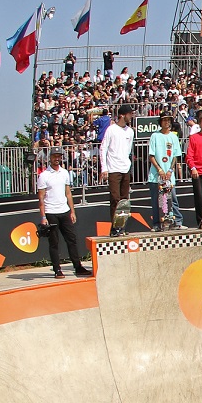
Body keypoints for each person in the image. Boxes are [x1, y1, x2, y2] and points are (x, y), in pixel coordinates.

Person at [37, 150, 91, 279]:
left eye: (59, 156)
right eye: (54, 156)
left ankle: (78, 267)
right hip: (51, 212)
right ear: (50, 158)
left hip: (64, 211)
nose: (57, 159)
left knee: (71, 239)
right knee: (54, 242)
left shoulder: (65, 173)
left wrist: (72, 211)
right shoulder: (44, 175)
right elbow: (41, 197)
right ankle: (57, 269)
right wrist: (43, 217)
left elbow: (68, 193)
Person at [146, 114, 184, 228]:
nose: (166, 122)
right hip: (155, 175)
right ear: (160, 122)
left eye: (168, 120)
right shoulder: (155, 136)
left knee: (173, 199)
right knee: (157, 201)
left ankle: (177, 222)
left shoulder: (173, 136)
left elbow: (175, 155)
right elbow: (151, 155)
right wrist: (159, 169)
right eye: (164, 120)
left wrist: (170, 170)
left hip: (169, 175)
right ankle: (157, 224)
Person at [100, 103, 135, 217]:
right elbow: (103, 148)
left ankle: (122, 224)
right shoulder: (111, 129)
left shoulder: (130, 131)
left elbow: (128, 150)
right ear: (122, 115)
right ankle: (114, 225)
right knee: (115, 198)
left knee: (124, 200)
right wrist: (104, 168)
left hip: (125, 168)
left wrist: (128, 165)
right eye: (129, 114)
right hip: (113, 168)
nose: (131, 116)